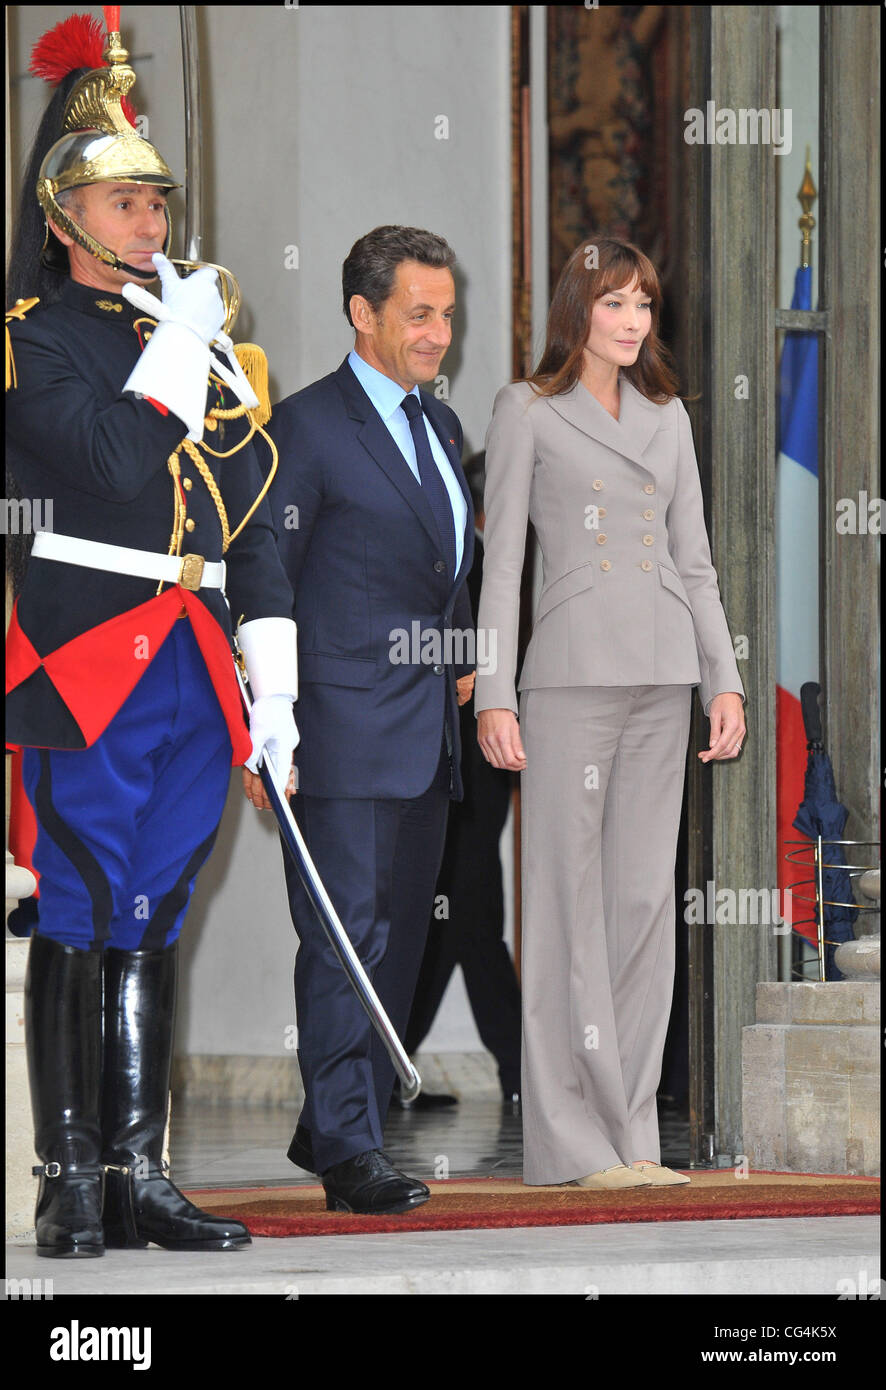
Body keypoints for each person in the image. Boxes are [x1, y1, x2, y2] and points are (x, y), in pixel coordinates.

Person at [5, 13, 298, 1257]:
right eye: (124, 204)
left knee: (154, 904)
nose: (150, 225)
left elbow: (252, 512)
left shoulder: (201, 349)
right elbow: (121, 458)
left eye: (156, 203)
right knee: (78, 899)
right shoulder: (31, 338)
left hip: (191, 652)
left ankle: (137, 1170)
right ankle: (67, 1173)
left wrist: (272, 685)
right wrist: (184, 338)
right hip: (85, 652)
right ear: (64, 212)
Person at [474, 235, 746, 1190]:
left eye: (643, 305)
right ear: (577, 311)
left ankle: (633, 1135)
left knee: (638, 909)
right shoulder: (525, 409)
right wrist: (494, 691)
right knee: (563, 908)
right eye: (614, 303)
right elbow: (501, 563)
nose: (632, 322)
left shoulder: (667, 417)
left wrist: (725, 679)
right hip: (569, 678)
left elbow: (697, 559)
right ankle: (569, 1143)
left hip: (663, 670)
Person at [249, 225, 475, 1214]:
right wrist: (273, 717)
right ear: (362, 312)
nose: (437, 333)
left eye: (446, 313)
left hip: (426, 733)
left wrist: (462, 655)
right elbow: (261, 570)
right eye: (418, 314)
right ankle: (349, 1149)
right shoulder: (304, 426)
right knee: (345, 937)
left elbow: (443, 569)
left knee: (395, 945)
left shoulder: (444, 427)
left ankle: (334, 1121)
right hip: (337, 735)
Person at [403, 452, 522, 1106]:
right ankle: (516, 1072)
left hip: (469, 771)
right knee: (466, 921)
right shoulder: (472, 562)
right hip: (464, 772)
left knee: (464, 922)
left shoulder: (478, 559)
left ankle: (396, 1066)